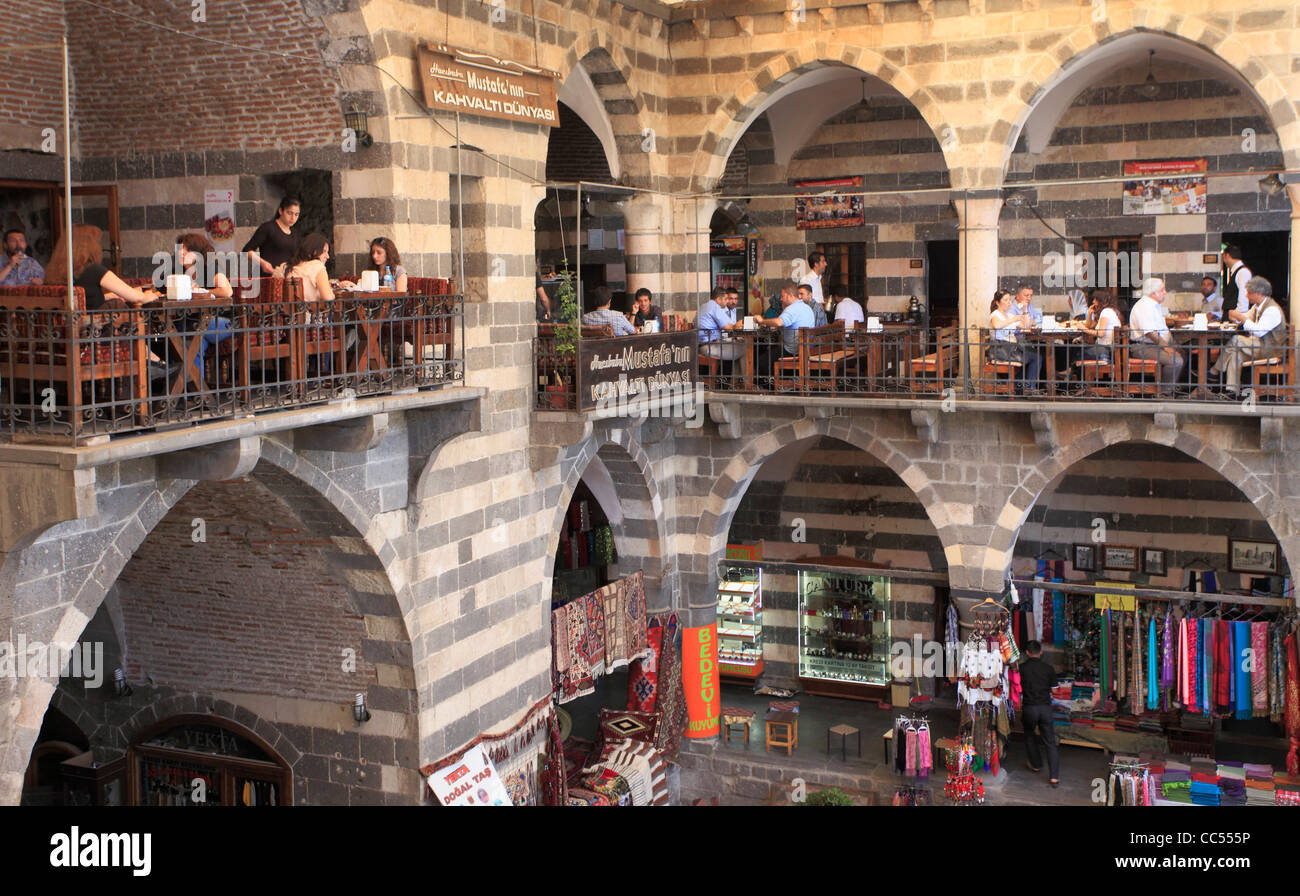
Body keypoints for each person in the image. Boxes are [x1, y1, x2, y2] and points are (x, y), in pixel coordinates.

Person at [45, 224, 157, 310]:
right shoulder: (93, 270)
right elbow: (134, 297)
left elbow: (84, 300)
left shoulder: (54, 272)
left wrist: (107, 297)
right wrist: (148, 295)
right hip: (96, 331)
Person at [1210, 276, 1287, 399]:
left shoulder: (1272, 310)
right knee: (1236, 355)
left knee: (1236, 340)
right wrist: (1236, 316)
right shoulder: (1257, 306)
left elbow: (1259, 331)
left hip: (1270, 349)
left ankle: (1215, 371)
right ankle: (1232, 391)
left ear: (1259, 293)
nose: (1247, 296)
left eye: (1249, 293)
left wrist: (1241, 318)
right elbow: (1246, 317)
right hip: (1259, 345)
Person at [1128, 277, 1185, 396]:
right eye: (1162, 289)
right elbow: (1150, 332)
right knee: (1176, 360)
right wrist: (1167, 348)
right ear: (1153, 292)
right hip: (1143, 347)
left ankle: (1176, 388)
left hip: (1154, 346)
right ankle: (1164, 393)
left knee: (1184, 353)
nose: (1165, 292)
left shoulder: (1153, 305)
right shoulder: (1145, 306)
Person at [1019, 640, 1060, 788]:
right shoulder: (1049, 668)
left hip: (1030, 708)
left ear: (1027, 653)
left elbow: (1017, 687)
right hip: (1045, 708)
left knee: (1029, 735)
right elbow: (1055, 690)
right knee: (1050, 741)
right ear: (1041, 652)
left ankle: (1036, 765)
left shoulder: (1021, 668)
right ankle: (1054, 776)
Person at [757, 283, 815, 385]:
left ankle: (771, 386)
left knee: (762, 360)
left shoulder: (792, 308)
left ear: (791, 295)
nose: (781, 299)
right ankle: (783, 383)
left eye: (783, 296)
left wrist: (762, 321)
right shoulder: (807, 308)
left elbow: (779, 322)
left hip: (794, 350)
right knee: (772, 353)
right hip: (806, 348)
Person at [988, 289, 1041, 393]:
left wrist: (1025, 309)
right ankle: (1027, 387)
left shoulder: (1008, 314)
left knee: (1036, 355)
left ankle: (1013, 385)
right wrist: (1013, 320)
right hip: (1001, 349)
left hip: (1010, 347)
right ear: (998, 303)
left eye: (1009, 300)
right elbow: (996, 325)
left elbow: (1025, 325)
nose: (1009, 302)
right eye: (1006, 300)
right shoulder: (995, 314)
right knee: (1036, 357)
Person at [242, 196, 301, 276]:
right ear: (280, 211)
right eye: (289, 213)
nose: (293, 218)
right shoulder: (268, 228)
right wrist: (263, 263)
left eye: (296, 214)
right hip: (267, 277)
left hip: (286, 278)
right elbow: (246, 251)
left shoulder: (294, 233)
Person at [285, 233, 334, 301]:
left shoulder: (293, 267)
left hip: (295, 310)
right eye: (324, 251)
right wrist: (333, 294)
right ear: (314, 251)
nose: (327, 256)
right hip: (311, 310)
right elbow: (327, 297)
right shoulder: (317, 265)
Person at [1221, 245, 1251, 316]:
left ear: (1227, 255)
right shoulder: (1237, 272)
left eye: (1223, 257)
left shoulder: (1242, 272)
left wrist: (1237, 318)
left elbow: (1244, 299)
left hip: (1235, 319)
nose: (1223, 261)